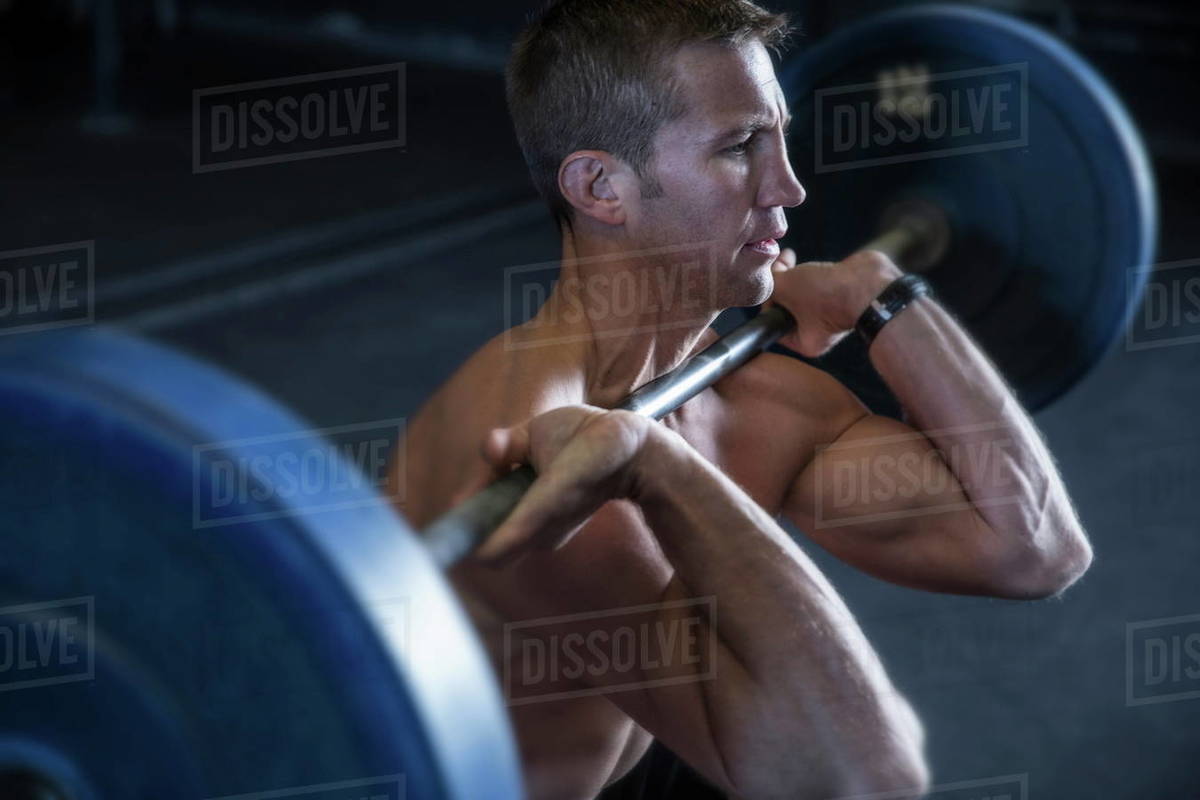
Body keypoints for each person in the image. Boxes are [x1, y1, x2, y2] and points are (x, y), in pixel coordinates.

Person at [393, 1, 1092, 797]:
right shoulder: (534, 457)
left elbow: (1032, 548)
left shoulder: (748, 401)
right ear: (601, 187)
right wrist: (656, 466)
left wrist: (884, 297)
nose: (790, 186)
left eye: (781, 135)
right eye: (738, 147)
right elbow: (862, 779)